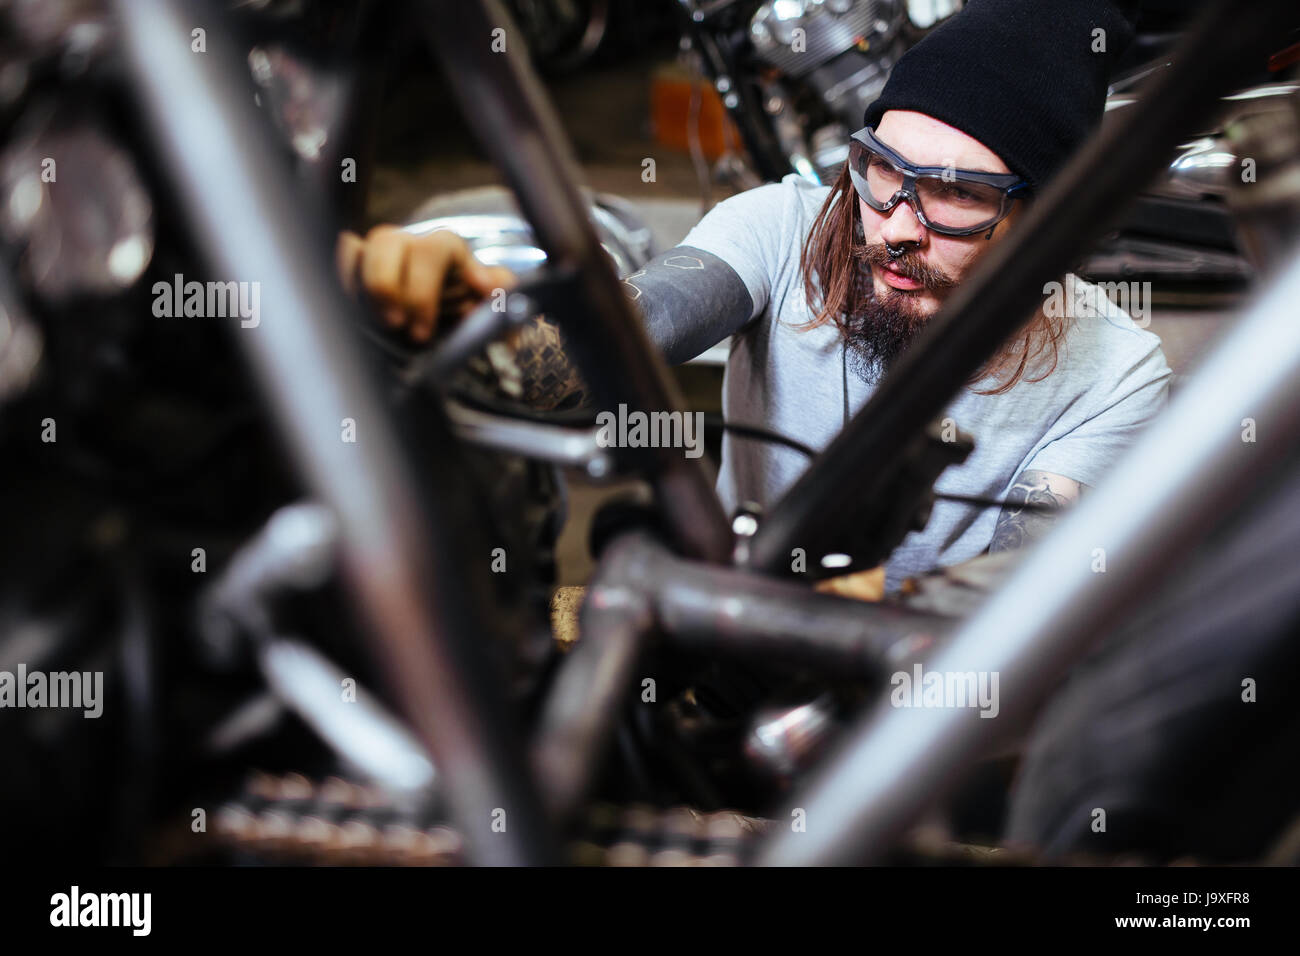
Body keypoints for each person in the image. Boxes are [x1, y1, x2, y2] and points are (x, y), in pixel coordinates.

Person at [336, 0, 1170, 593]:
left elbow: (1019, 598)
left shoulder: (1116, 373)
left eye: (955, 195)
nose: (897, 226)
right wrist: (454, 316)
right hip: (727, 650)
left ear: (1048, 221)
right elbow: (611, 345)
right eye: (883, 170)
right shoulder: (784, 226)